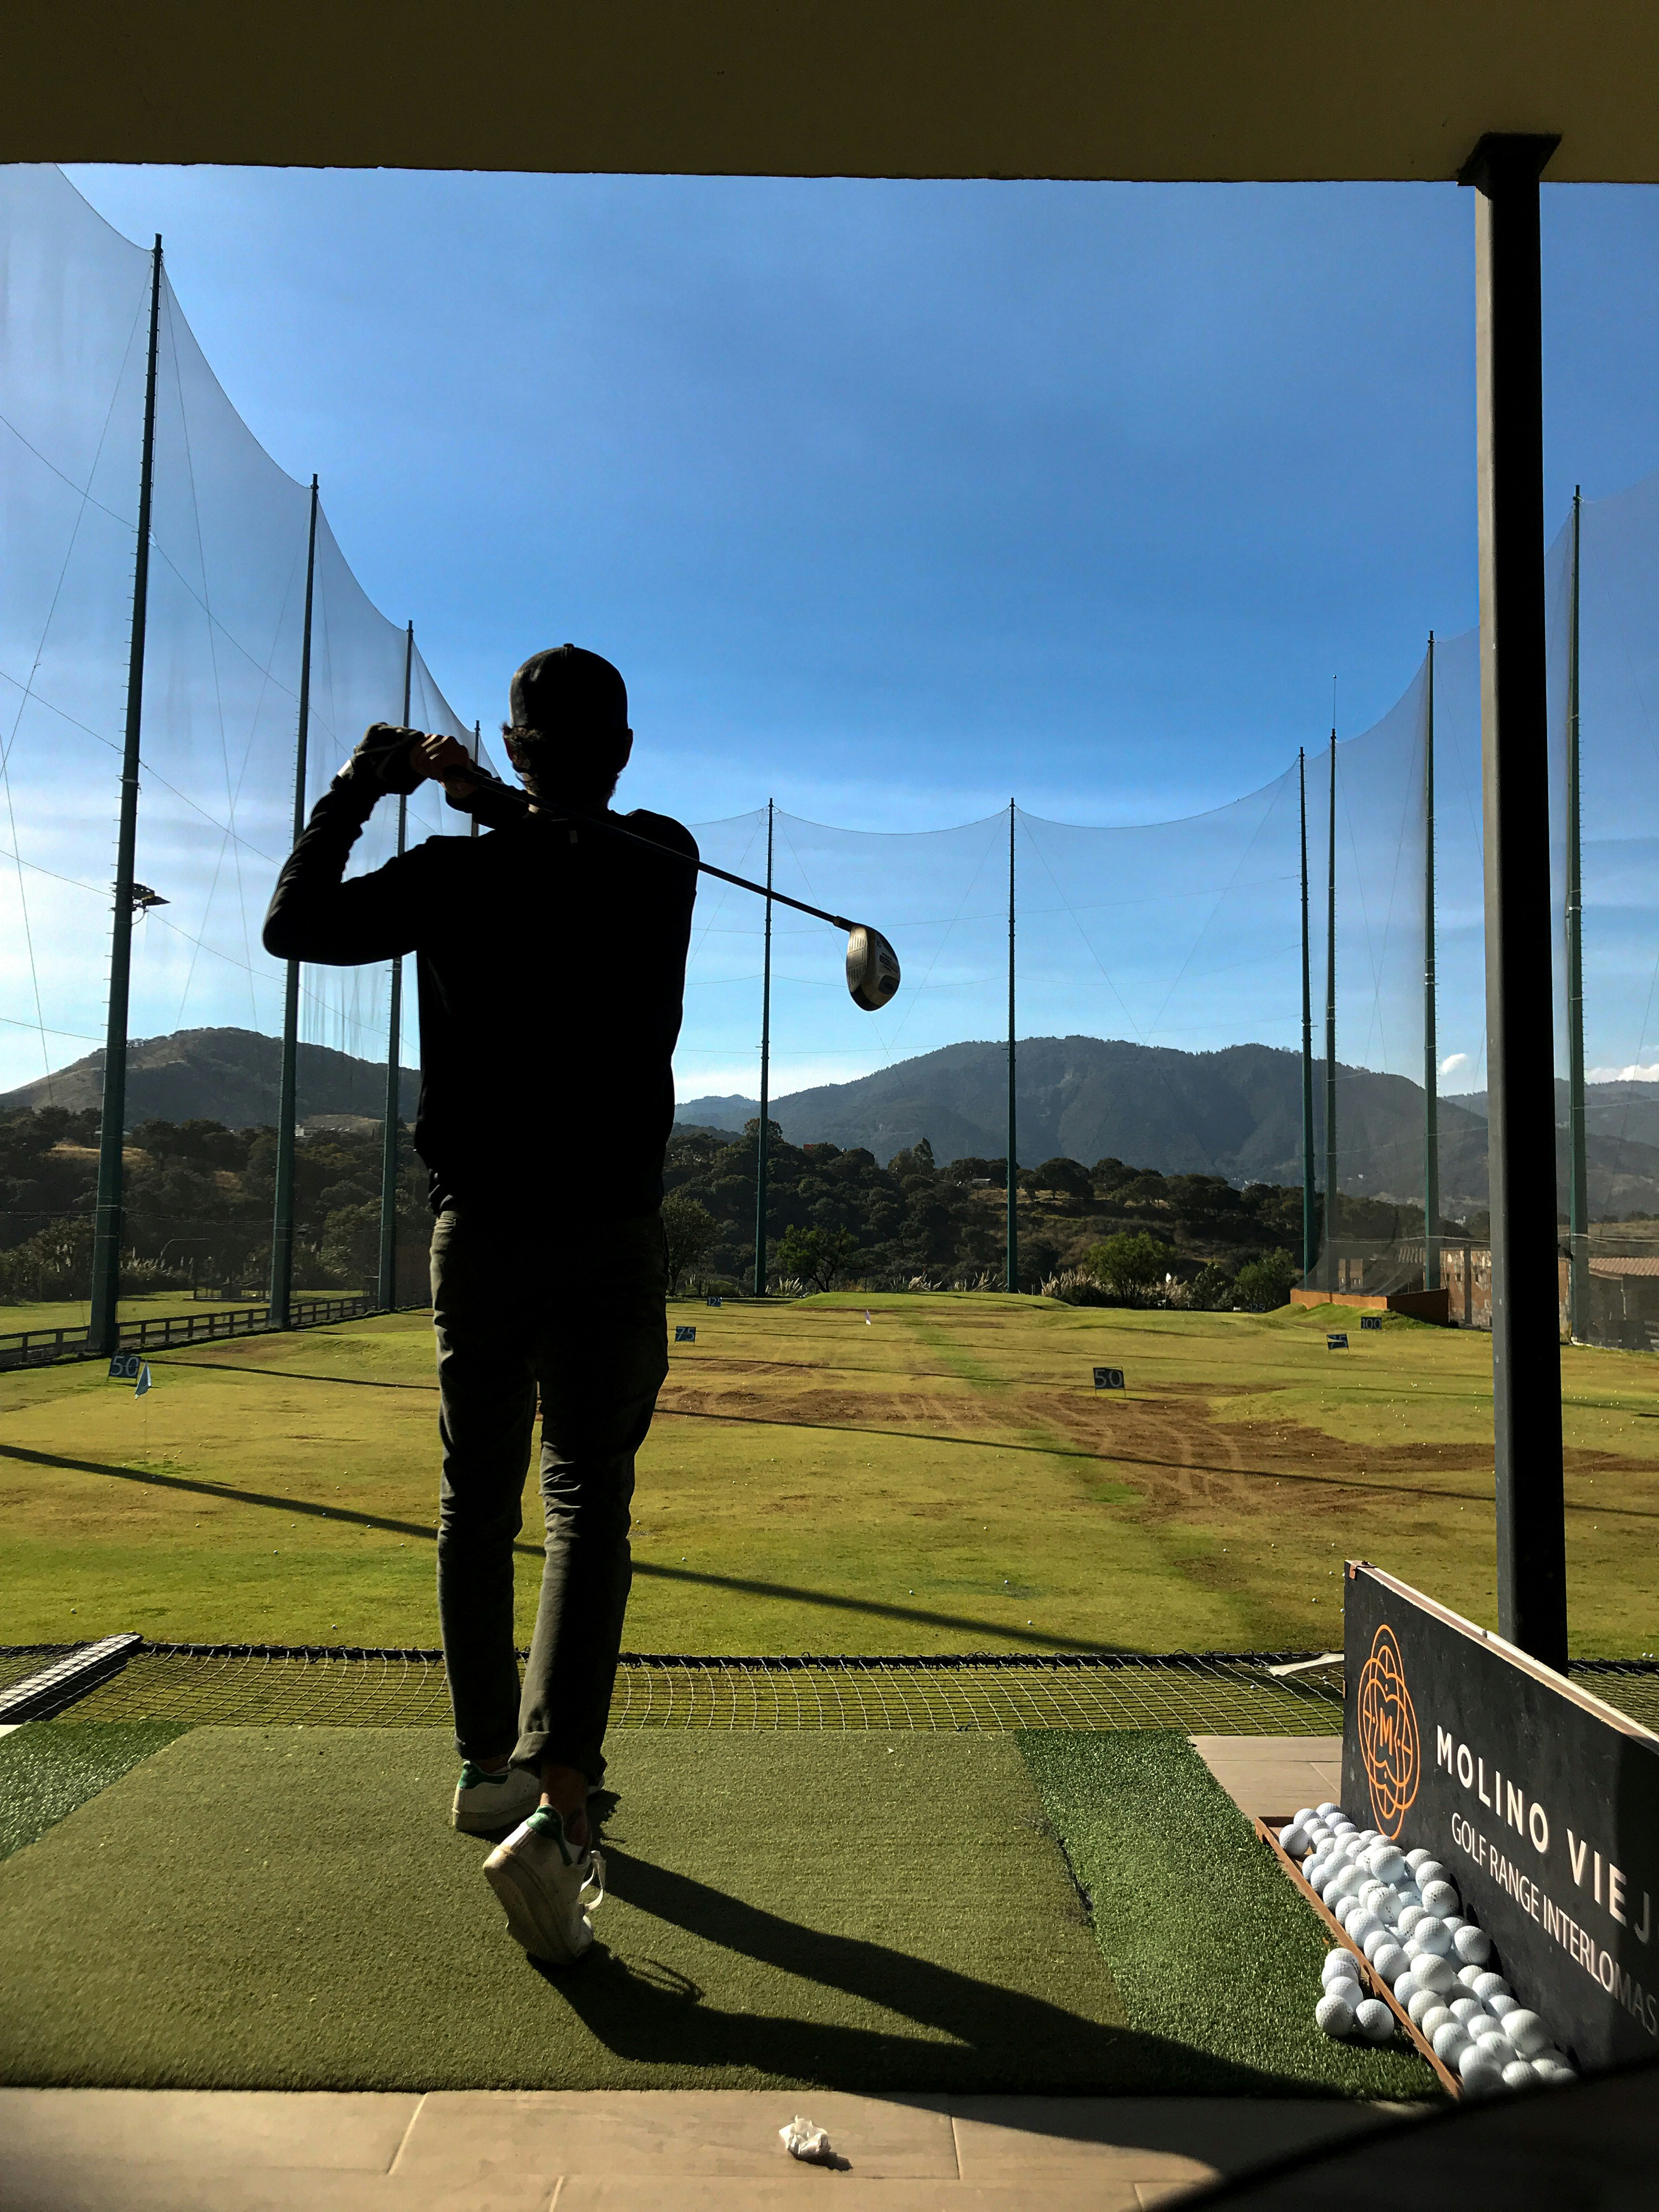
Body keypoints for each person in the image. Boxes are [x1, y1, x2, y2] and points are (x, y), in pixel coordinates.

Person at [263, 644, 697, 1965]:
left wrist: (366, 784)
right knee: (587, 1505)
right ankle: (558, 1792)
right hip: (612, 1237)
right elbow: (581, 842)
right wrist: (490, 794)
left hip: (485, 1235)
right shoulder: (663, 863)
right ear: (621, 751)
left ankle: (482, 1767)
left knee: (478, 1505)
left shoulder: (452, 873)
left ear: (513, 750)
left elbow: (293, 922)